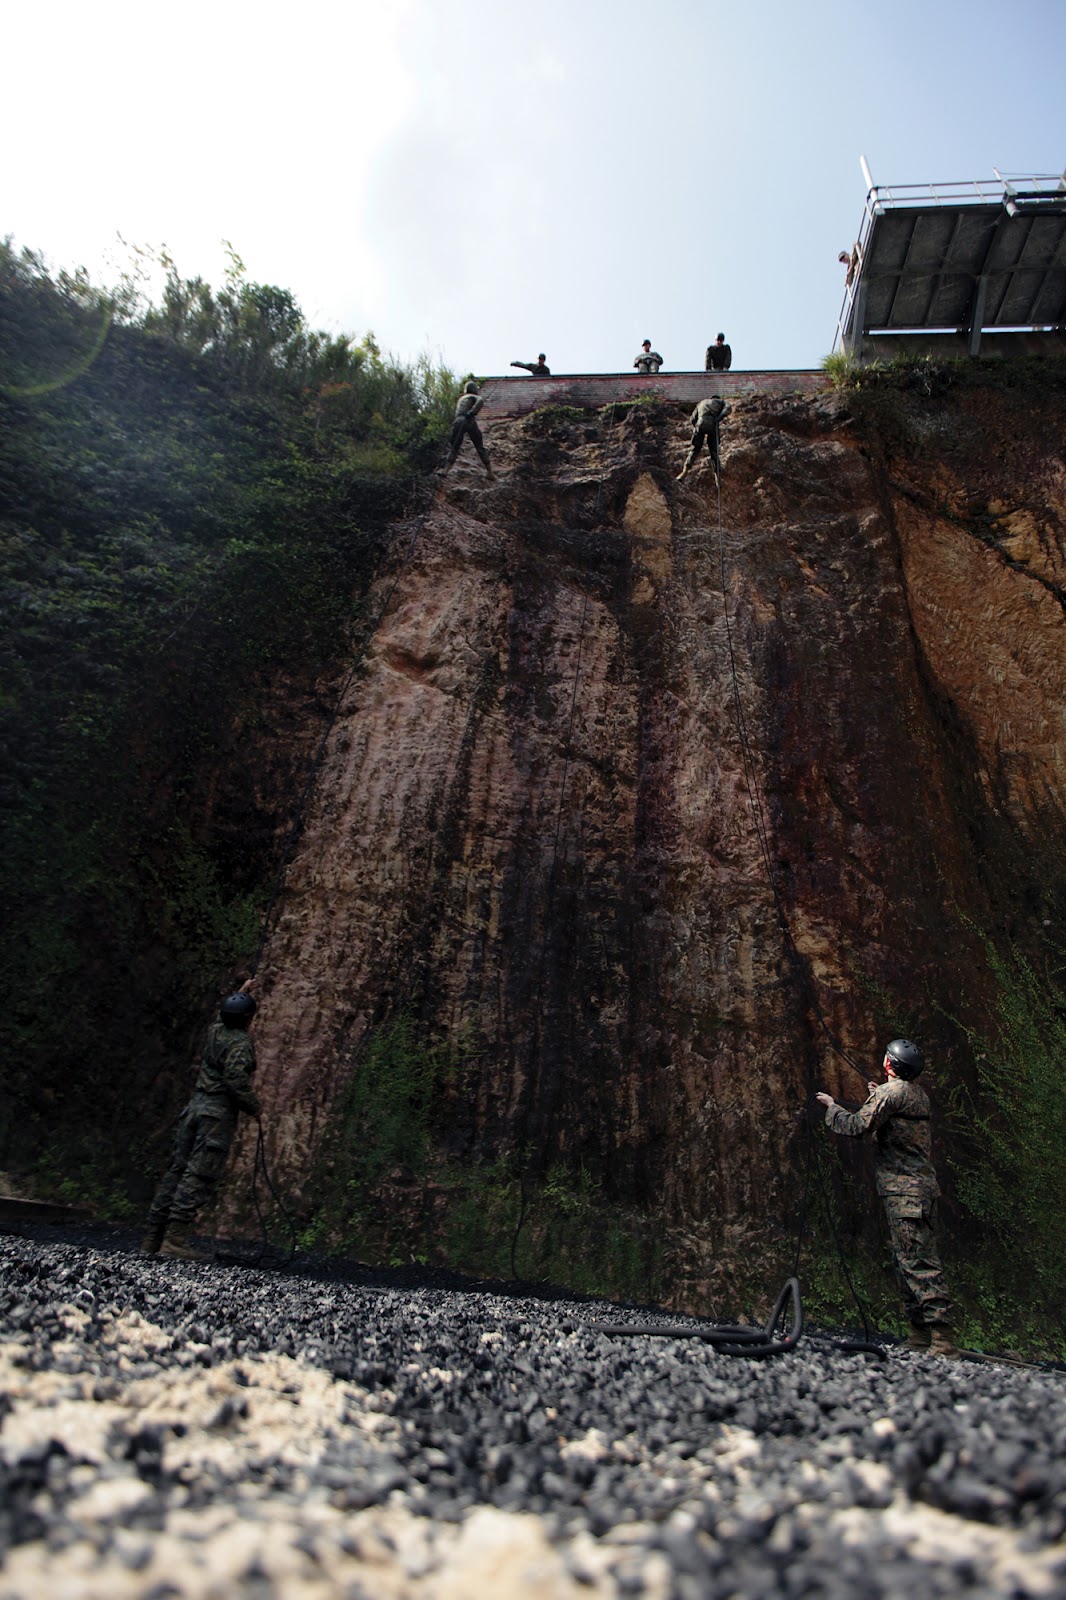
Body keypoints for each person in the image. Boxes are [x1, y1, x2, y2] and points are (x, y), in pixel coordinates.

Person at [816, 1039, 956, 1356]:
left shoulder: (891, 1094)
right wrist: (876, 1094)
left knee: (919, 1264)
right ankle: (921, 1337)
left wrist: (832, 1107)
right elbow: (896, 1126)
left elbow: (857, 1126)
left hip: (906, 1192)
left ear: (889, 1064)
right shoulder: (915, 1094)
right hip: (918, 1191)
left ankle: (943, 1341)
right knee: (905, 1262)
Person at [142, 980, 262, 1261]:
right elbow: (235, 1080)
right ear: (248, 1019)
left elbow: (223, 1015)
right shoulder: (240, 1043)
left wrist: (242, 991)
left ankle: (152, 1238)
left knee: (176, 1170)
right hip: (215, 1115)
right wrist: (254, 1106)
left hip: (194, 1108)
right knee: (197, 1174)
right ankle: (175, 1240)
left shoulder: (216, 1030)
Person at [445, 380, 495, 477]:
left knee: (454, 446)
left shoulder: (461, 399)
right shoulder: (475, 396)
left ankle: (445, 470)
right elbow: (480, 402)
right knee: (479, 445)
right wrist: (472, 412)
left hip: (457, 421)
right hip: (468, 421)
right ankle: (490, 472)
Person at [676, 395, 730, 480]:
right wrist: (719, 418)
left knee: (695, 449)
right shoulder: (721, 402)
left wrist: (698, 428)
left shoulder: (701, 403)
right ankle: (717, 478)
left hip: (700, 423)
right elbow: (728, 408)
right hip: (713, 423)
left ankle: (684, 473)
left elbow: (692, 419)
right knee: (714, 452)